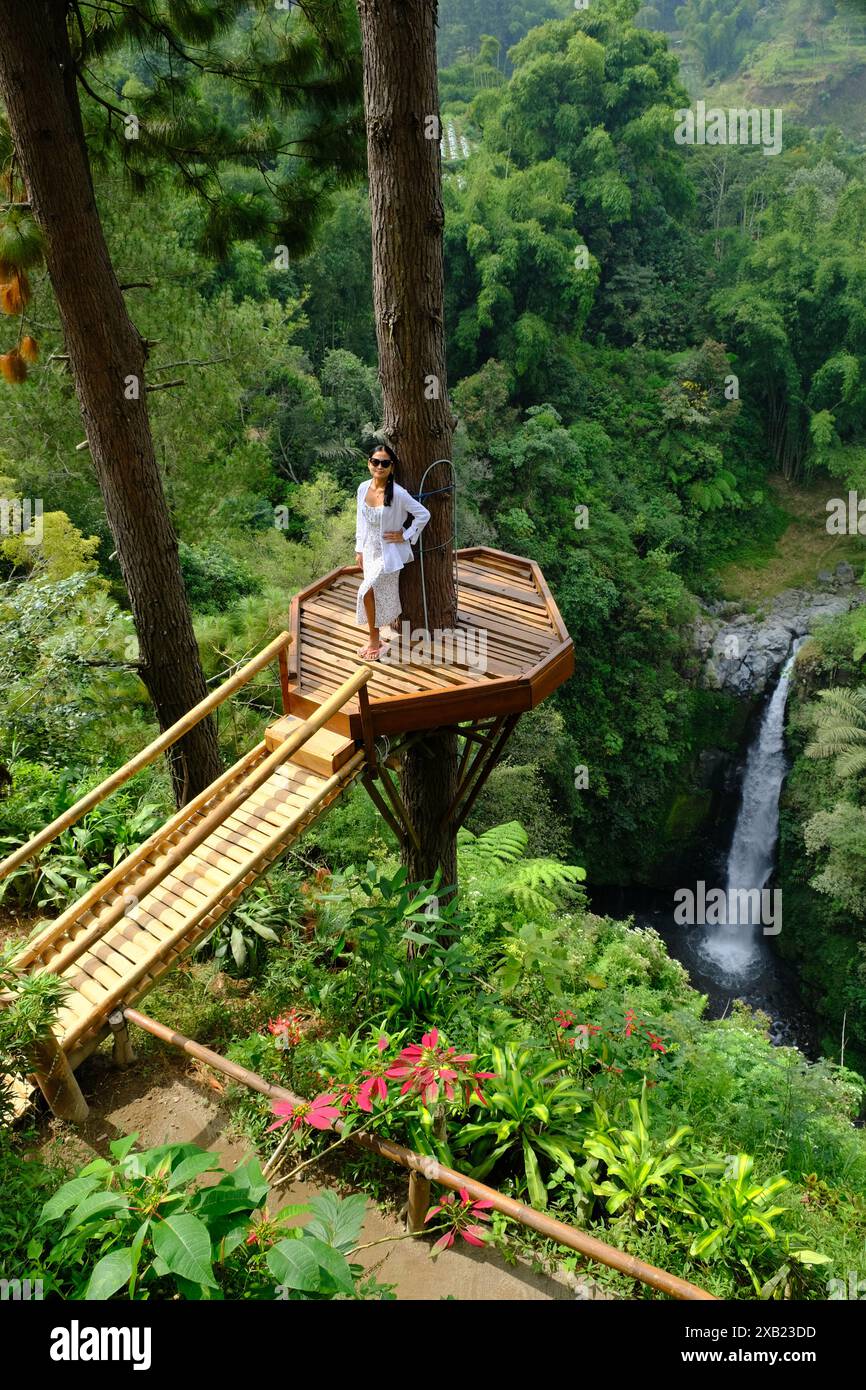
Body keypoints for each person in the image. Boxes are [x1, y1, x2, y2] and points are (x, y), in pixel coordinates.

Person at [354, 446, 430, 661]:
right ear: (369, 463)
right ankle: (376, 639)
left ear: (392, 467)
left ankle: (374, 639)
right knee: (373, 594)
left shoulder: (398, 493)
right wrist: (359, 549)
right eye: (375, 461)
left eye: (385, 463)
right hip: (369, 551)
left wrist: (406, 535)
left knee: (365, 591)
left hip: (388, 553)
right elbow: (360, 520)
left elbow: (423, 514)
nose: (379, 466)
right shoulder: (363, 488)